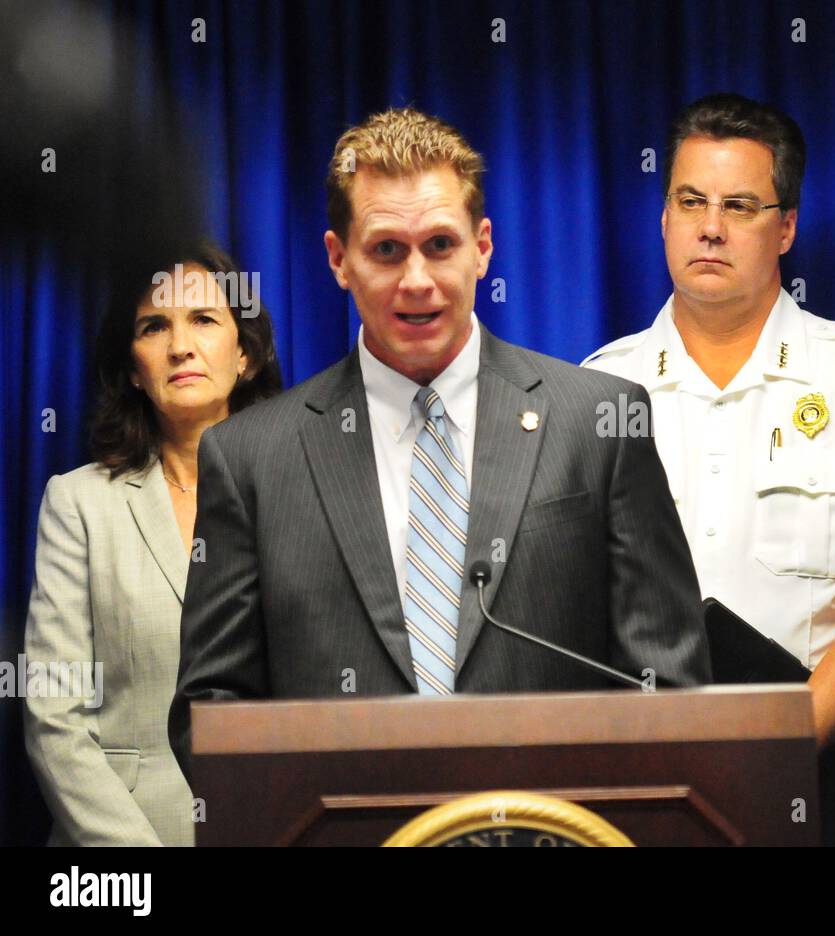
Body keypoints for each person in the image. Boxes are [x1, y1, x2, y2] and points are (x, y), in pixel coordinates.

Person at [168, 108, 711, 779]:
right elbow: (208, 716)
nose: (417, 279)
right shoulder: (251, 459)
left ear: (483, 247)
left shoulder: (599, 423)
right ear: (339, 259)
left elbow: (670, 690)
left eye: (440, 246)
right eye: (387, 250)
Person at [583, 94, 835, 749]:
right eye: (690, 201)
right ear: (663, 219)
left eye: (739, 206)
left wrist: (781, 752)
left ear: (787, 227)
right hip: (644, 767)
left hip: (823, 767)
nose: (710, 227)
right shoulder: (597, 388)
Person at [24, 242, 282, 845]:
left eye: (203, 320)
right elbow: (54, 718)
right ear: (135, 368)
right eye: (154, 326)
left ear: (243, 352)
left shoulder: (301, 497)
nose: (180, 345)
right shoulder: (78, 504)